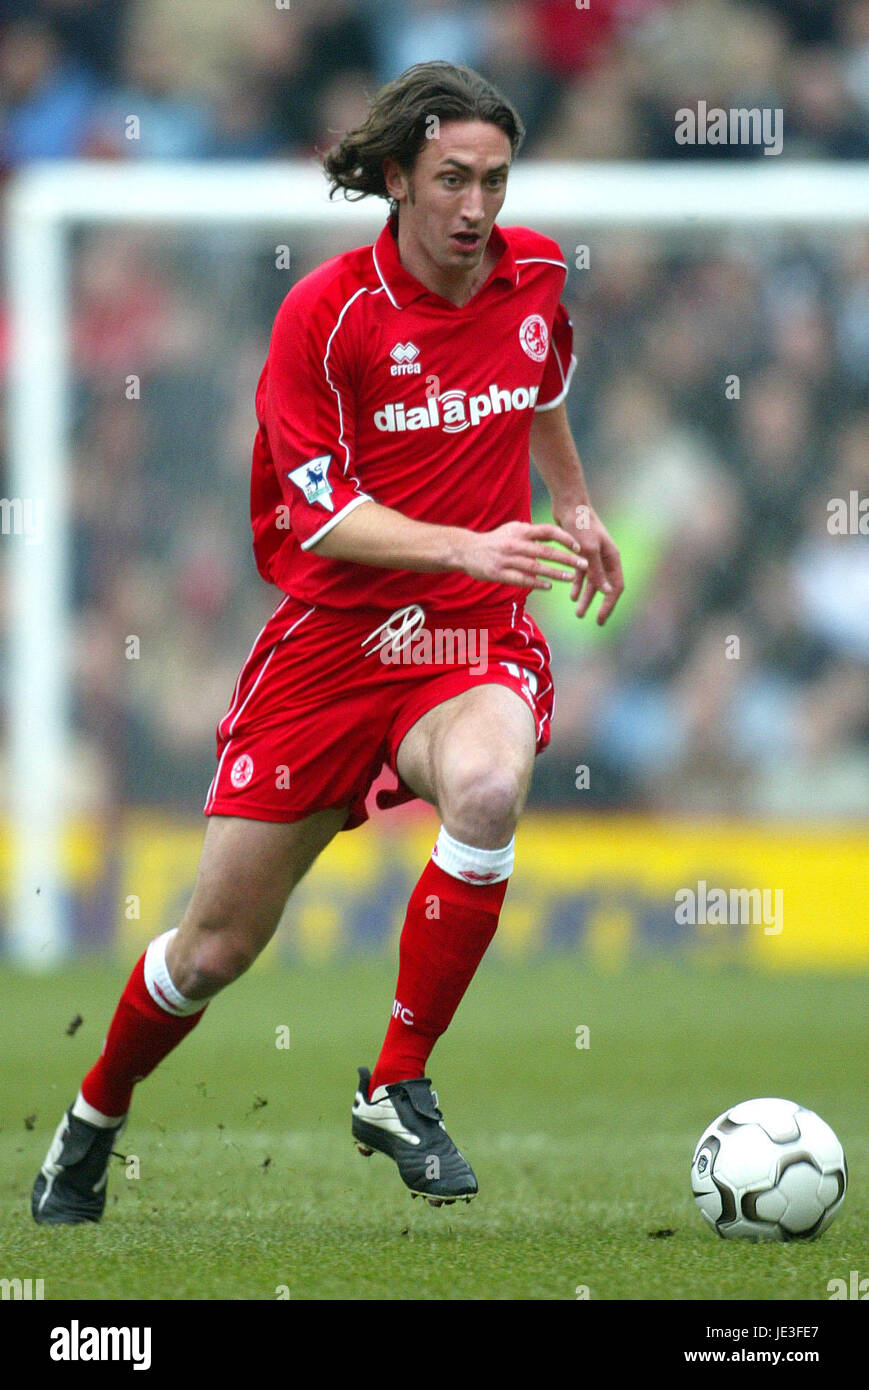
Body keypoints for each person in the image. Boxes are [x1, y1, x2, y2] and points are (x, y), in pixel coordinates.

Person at [32, 60, 623, 1222]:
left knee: (491, 786)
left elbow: (540, 380)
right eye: (451, 179)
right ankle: (93, 1117)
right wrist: (464, 543)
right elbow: (318, 515)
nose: (475, 207)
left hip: (466, 637)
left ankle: (396, 1081)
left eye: (494, 180)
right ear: (396, 177)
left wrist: (575, 504)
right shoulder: (328, 314)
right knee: (211, 950)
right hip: (335, 647)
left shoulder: (535, 274)